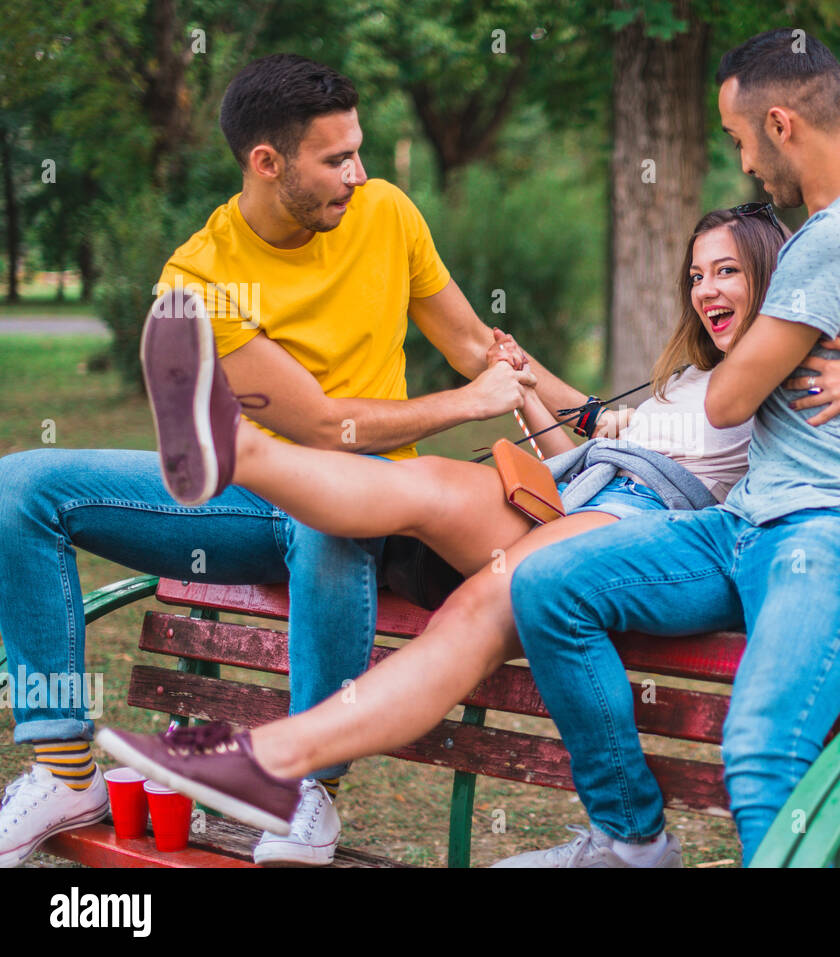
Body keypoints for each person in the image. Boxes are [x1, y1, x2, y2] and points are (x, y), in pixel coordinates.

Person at [95, 200, 840, 867]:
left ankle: (279, 737)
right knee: (425, 485)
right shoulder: (687, 384)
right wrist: (520, 383)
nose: (708, 288)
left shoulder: (778, 369)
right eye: (698, 273)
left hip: (639, 516)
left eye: (729, 272)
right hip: (579, 491)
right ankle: (237, 449)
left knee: (479, 594)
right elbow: (589, 438)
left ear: (770, 279)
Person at [0, 53, 588, 868]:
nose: (360, 173)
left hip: (360, 504)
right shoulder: (202, 279)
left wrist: (591, 416)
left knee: (331, 511)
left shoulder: (385, 215)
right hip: (250, 495)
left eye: (359, 150)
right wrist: (466, 403)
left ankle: (306, 788)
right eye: (337, 158)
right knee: (19, 486)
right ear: (266, 163)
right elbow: (320, 425)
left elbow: (475, 347)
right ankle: (64, 767)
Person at [484, 27, 840, 867]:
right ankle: (631, 840)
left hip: (835, 529)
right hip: (745, 522)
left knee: (759, 751)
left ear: (781, 123)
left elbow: (728, 396)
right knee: (550, 585)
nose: (745, 163)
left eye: (741, 138)